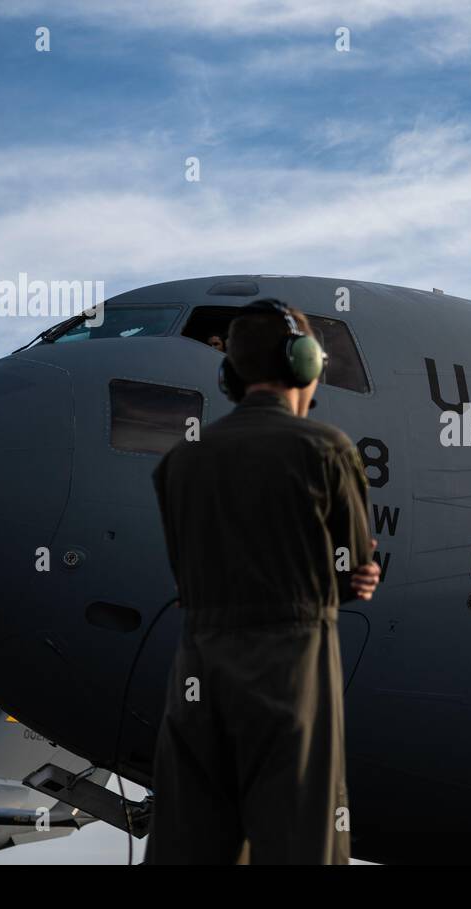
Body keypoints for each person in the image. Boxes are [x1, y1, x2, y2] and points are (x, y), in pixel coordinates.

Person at [146, 299, 379, 865]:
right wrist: (357, 577)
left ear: (229, 375)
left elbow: (188, 573)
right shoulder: (327, 448)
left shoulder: (180, 462)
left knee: (189, 839)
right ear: (305, 364)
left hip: (197, 674)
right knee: (302, 837)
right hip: (289, 670)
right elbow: (352, 573)